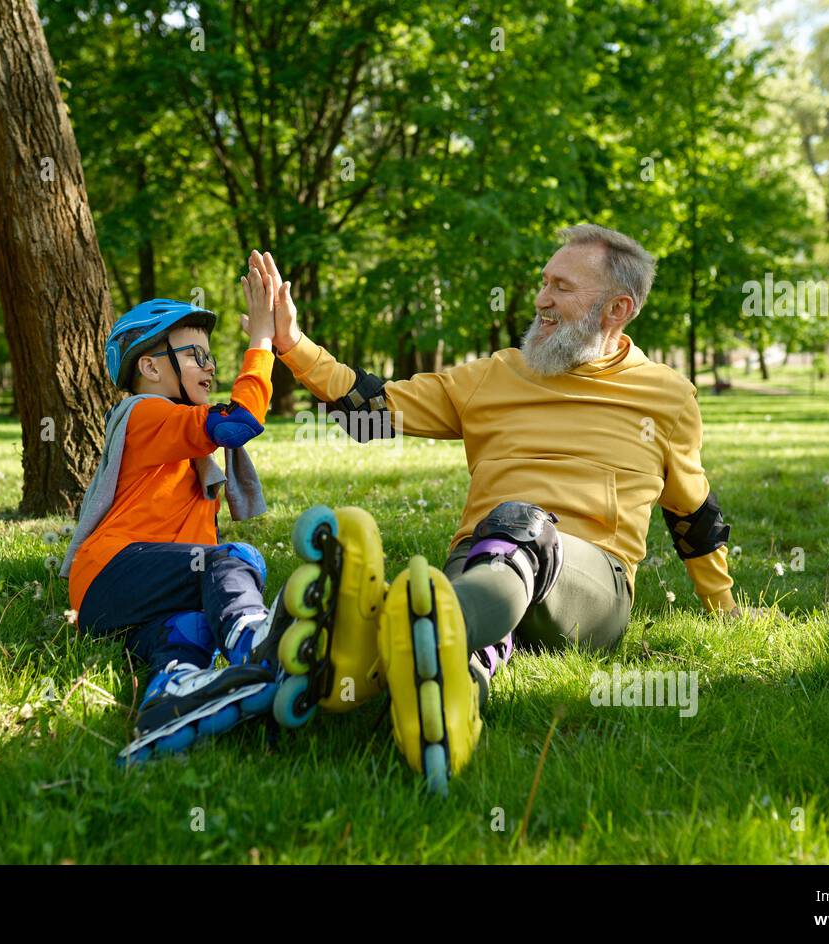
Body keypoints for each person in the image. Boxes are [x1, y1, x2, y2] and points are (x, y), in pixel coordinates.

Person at [250, 225, 760, 793]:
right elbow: (372, 409)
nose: (541, 299)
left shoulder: (666, 395)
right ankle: (445, 678)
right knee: (491, 568)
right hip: (480, 565)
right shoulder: (494, 374)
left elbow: (692, 513)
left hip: (590, 591)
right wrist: (292, 343)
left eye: (562, 287)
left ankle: (398, 629)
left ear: (618, 308)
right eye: (543, 283)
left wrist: (724, 605)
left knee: (518, 525)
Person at [59, 259, 290, 762]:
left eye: (210, 358)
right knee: (234, 559)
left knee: (195, 628)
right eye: (195, 356)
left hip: (121, 601)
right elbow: (239, 421)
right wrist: (264, 342)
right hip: (113, 571)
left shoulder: (181, 438)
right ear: (151, 366)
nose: (210, 368)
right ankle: (259, 646)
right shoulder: (148, 413)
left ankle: (170, 696)